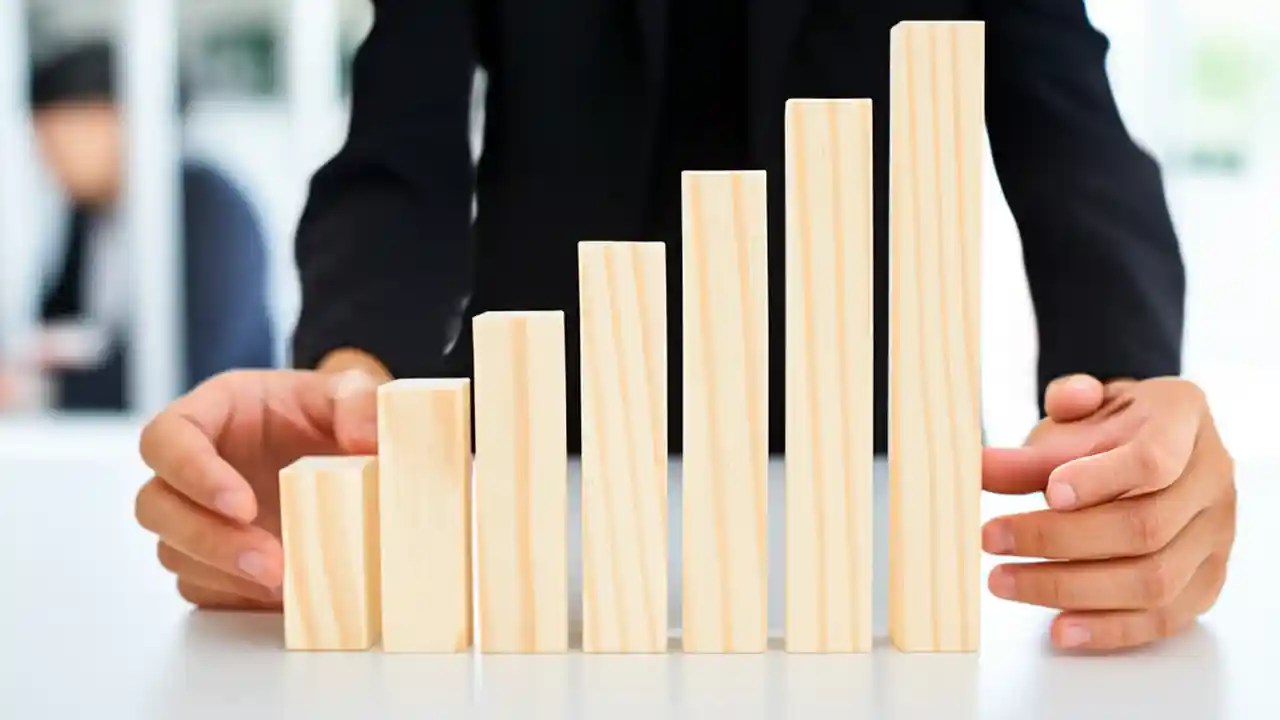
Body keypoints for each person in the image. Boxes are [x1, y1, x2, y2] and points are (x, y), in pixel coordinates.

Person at [133, 2, 1236, 651]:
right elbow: (398, 146)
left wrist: (1120, 415)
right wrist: (357, 385)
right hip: (537, 494)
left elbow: (1071, 138)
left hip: (862, 513)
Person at [6, 42, 274, 412]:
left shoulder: (207, 203)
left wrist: (44, 391)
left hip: (215, 432)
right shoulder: (89, 216)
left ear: (118, 121)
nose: (47, 162)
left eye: (55, 141)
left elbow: (199, 357)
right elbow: (57, 320)